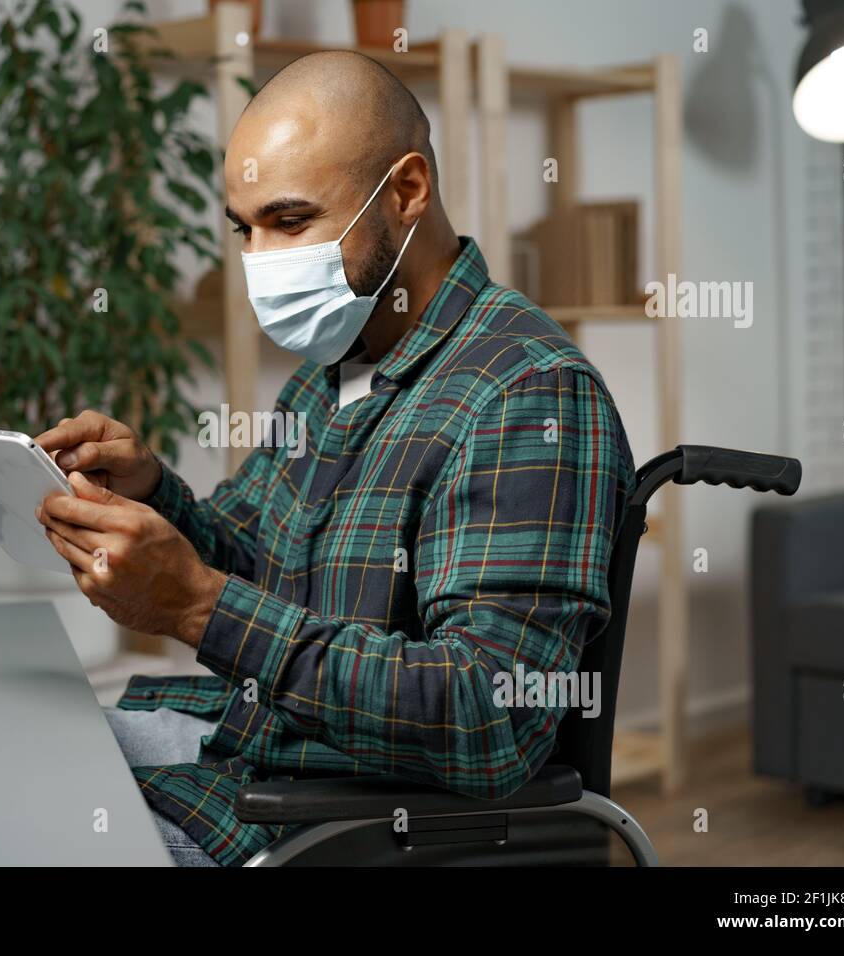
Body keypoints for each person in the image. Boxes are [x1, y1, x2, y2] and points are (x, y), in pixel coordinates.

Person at [34, 50, 636, 867]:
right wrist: (153, 494)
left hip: (336, 818)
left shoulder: (527, 395)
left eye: (289, 221)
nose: (259, 260)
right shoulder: (333, 374)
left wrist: (197, 609)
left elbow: (491, 717)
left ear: (406, 190)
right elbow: (251, 565)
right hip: (253, 750)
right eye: (242, 228)